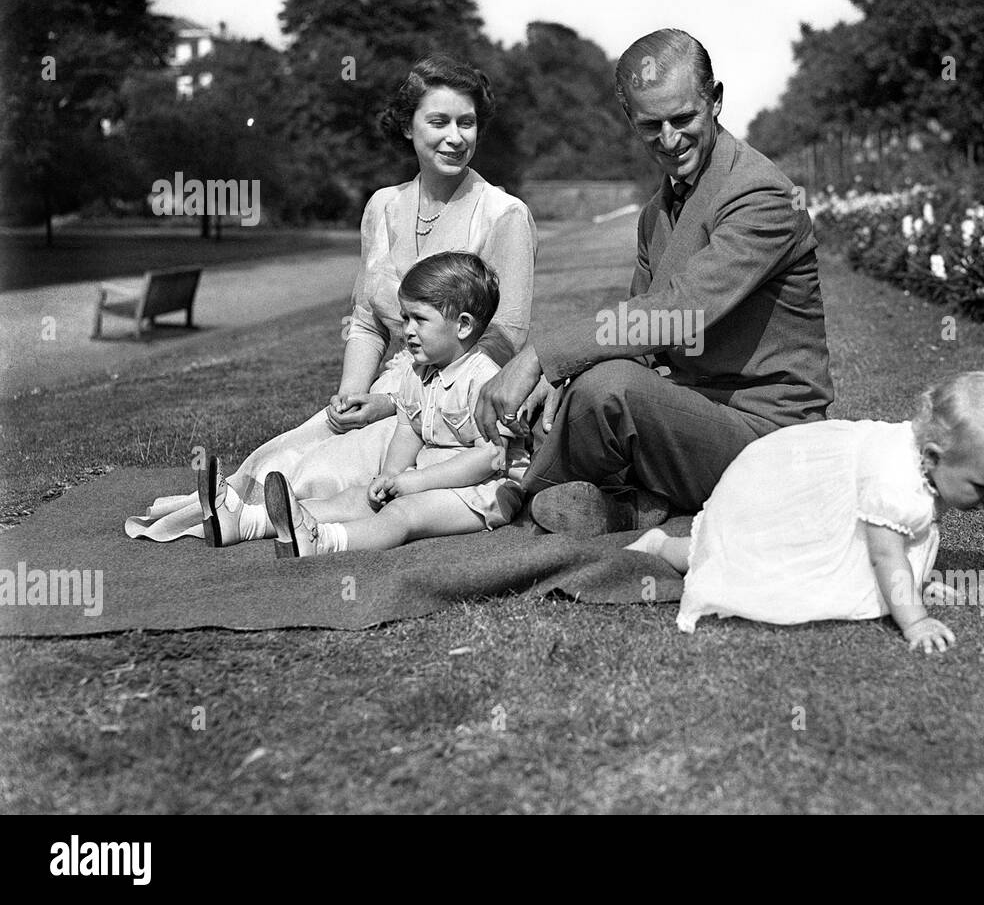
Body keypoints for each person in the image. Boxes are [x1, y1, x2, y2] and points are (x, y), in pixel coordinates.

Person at [126, 54, 537, 545]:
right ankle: (236, 512)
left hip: (452, 404)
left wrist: (392, 403)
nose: (456, 136)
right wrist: (351, 396)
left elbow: (505, 336)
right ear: (408, 127)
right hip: (385, 388)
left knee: (321, 472)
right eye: (439, 121)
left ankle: (260, 522)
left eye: (467, 122)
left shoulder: (502, 213)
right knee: (282, 454)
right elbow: (366, 320)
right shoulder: (382, 207)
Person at [475, 28, 834, 535]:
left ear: (716, 101)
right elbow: (638, 340)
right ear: (630, 120)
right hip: (691, 410)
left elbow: (680, 312)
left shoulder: (762, 195)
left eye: (683, 118)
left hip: (771, 436)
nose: (670, 140)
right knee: (579, 391)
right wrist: (562, 379)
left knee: (609, 388)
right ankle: (612, 501)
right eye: (651, 125)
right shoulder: (655, 213)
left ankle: (522, 496)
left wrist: (541, 356)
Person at [627, 372, 984, 651]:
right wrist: (915, 620)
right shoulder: (896, 483)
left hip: (822, 501)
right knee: (747, 555)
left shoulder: (929, 469)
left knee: (751, 550)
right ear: (933, 456)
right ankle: (663, 547)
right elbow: (886, 555)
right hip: (786, 497)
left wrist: (917, 579)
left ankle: (672, 546)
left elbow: (912, 537)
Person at [260, 252, 527, 557]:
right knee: (358, 497)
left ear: (463, 326)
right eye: (405, 317)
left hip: (484, 492)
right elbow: (407, 429)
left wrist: (419, 481)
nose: (408, 331)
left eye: (420, 319)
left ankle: (323, 541)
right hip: (428, 477)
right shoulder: (417, 372)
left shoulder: (485, 379)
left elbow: (490, 457)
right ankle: (249, 520)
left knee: (402, 514)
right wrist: (390, 474)